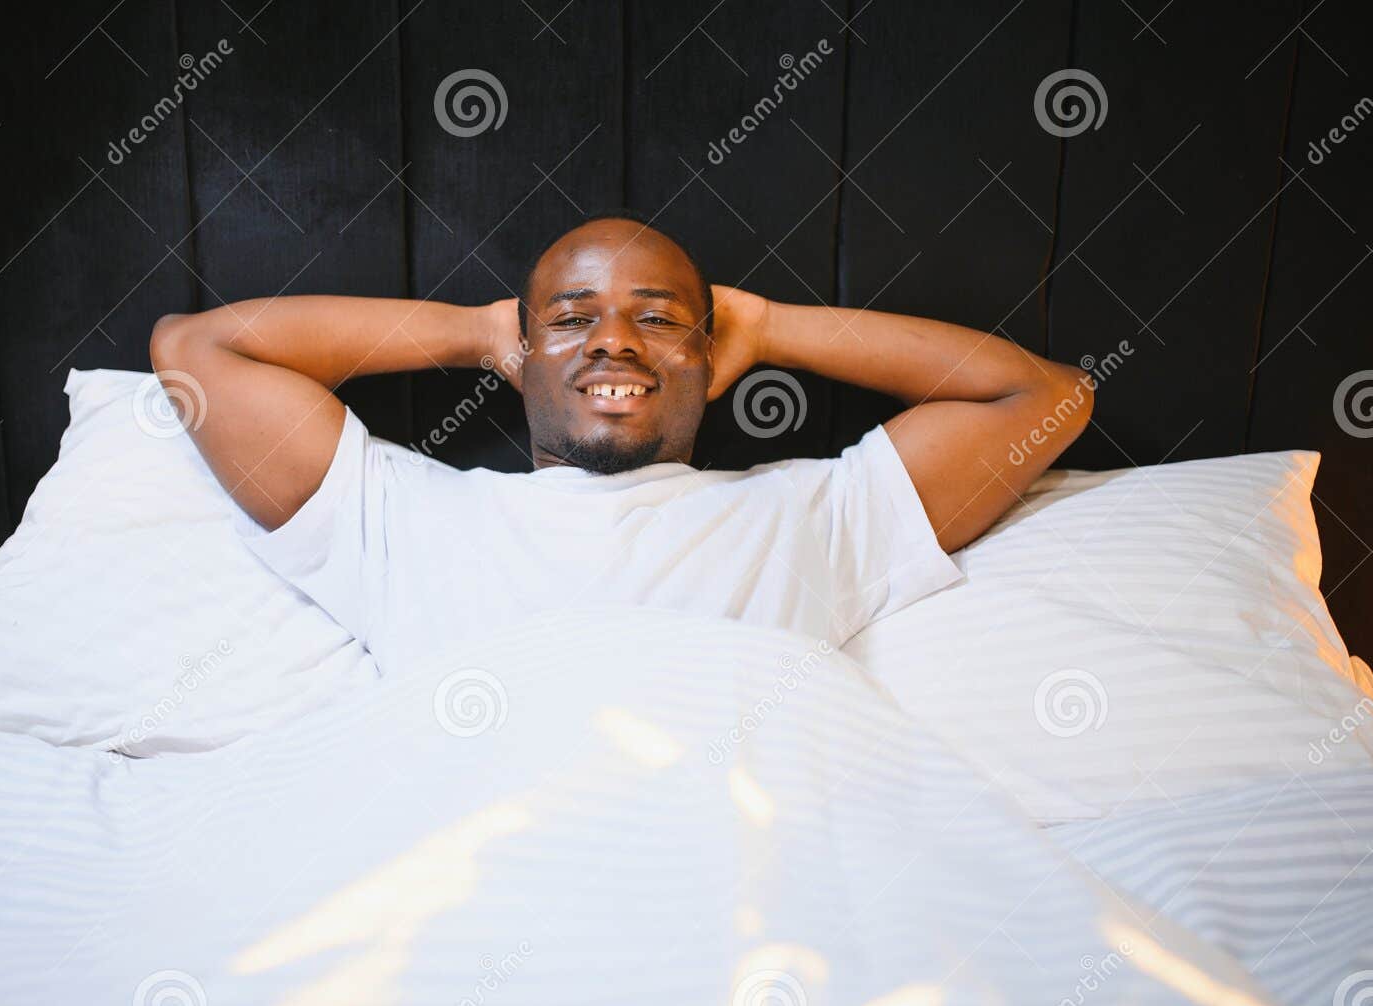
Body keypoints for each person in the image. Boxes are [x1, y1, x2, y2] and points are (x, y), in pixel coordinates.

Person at [149, 212, 1090, 675]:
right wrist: (477, 333)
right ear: (522, 352)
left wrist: (768, 327)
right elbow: (196, 350)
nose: (614, 341)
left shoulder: (812, 515)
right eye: (572, 319)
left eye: (658, 318)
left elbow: (1046, 396)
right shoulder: (402, 515)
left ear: (710, 357)